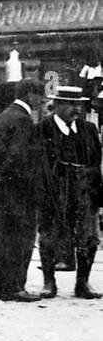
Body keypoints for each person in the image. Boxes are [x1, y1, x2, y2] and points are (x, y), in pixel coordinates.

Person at [36, 85, 102, 298]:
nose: (76, 109)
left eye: (78, 105)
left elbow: (96, 162)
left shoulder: (88, 129)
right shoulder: (42, 129)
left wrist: (97, 195)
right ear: (57, 106)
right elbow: (38, 166)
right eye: (70, 105)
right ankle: (49, 282)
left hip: (83, 192)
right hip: (54, 193)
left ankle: (82, 283)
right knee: (49, 237)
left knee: (89, 238)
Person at [0, 78, 46, 302]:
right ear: (30, 94)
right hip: (20, 189)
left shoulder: (1, 118)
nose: (41, 101)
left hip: (4, 188)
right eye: (39, 95)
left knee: (5, 238)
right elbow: (18, 156)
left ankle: (0, 287)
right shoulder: (23, 120)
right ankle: (15, 287)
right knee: (21, 239)